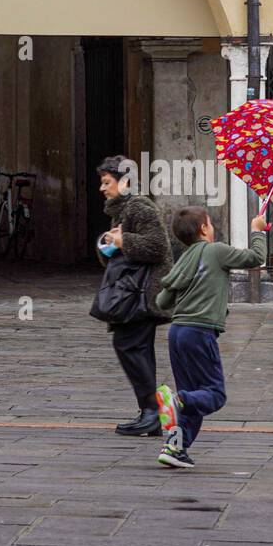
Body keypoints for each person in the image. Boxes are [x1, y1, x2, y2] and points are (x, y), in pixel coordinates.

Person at [153, 207, 270, 468]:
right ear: (204, 229)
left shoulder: (184, 258)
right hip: (199, 332)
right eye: (210, 223)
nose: (212, 227)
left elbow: (163, 300)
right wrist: (256, 230)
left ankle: (175, 448)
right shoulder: (216, 251)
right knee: (214, 395)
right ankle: (175, 399)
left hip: (177, 332)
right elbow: (256, 258)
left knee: (194, 396)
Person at [95, 155, 172, 437]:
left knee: (129, 346)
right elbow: (118, 256)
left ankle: (152, 411)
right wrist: (109, 244)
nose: (103, 188)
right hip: (130, 293)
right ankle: (150, 412)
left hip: (142, 295)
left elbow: (158, 246)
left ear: (124, 182)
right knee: (134, 348)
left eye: (107, 182)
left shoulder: (140, 206)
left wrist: (122, 240)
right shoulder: (121, 211)